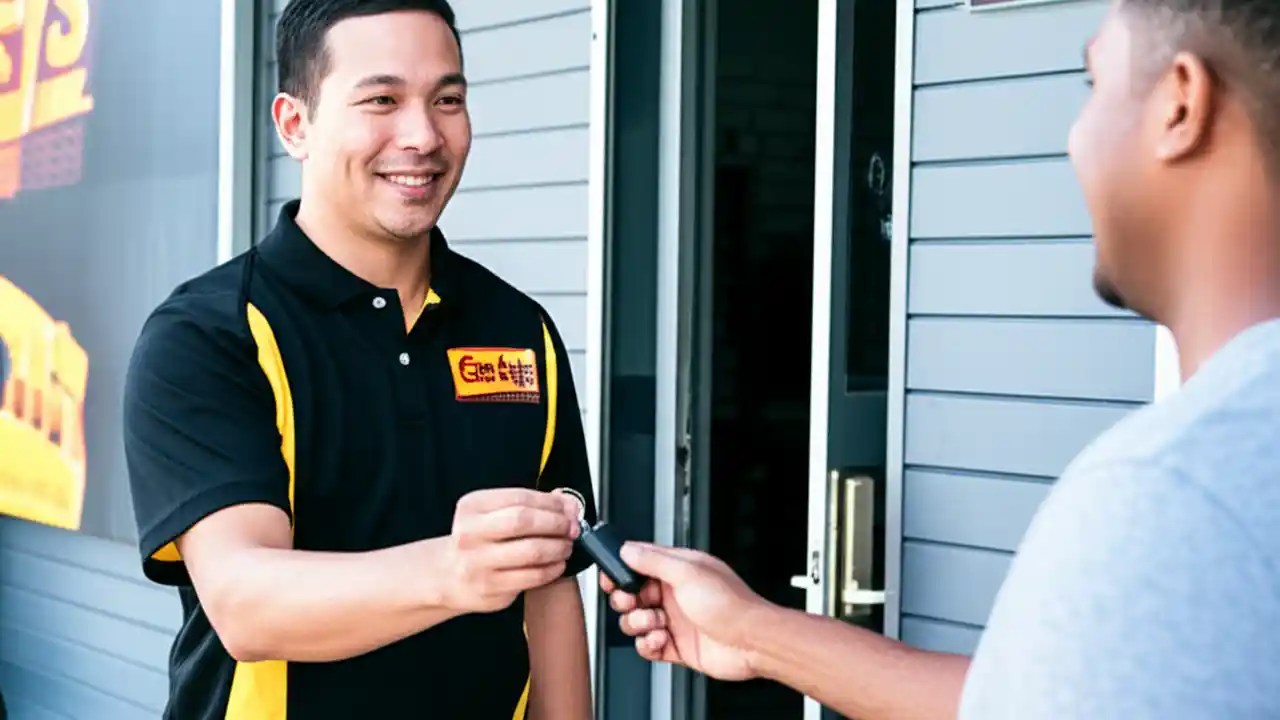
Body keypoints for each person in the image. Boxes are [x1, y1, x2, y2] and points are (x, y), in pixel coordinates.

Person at [603, 1, 1280, 717]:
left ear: (1180, 102)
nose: (1075, 140)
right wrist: (752, 633)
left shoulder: (1170, 498)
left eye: (1092, 85)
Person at [122, 1, 598, 718]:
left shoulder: (519, 328)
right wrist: (456, 570)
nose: (423, 136)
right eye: (382, 99)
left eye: (448, 100)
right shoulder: (211, 336)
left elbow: (551, 587)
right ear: (295, 124)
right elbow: (247, 606)